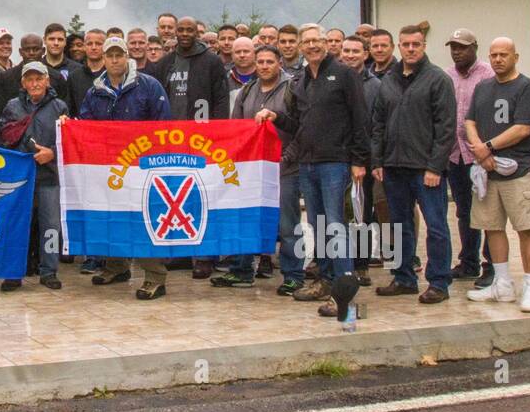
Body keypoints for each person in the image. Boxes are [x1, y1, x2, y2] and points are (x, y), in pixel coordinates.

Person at [79, 36, 172, 299]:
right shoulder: (95, 90)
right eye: (110, 55)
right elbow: (86, 125)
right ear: (104, 59)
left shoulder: (148, 85)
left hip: (143, 165)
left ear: (127, 56)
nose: (115, 59)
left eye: (119, 54)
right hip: (109, 166)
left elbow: (163, 125)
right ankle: (117, 266)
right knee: (111, 215)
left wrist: (155, 160)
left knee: (143, 220)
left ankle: (155, 277)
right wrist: (68, 126)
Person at [371, 25, 457, 305]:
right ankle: (404, 277)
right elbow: (378, 123)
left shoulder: (438, 80)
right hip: (393, 166)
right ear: (399, 46)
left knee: (436, 226)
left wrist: (435, 167)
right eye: (406, 44)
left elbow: (445, 128)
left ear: (424, 46)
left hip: (425, 169)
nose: (410, 49)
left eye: (416, 44)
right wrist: (377, 159)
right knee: (399, 225)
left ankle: (439, 281)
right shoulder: (389, 80)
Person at [285, 25, 369, 308]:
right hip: (307, 163)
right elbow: (298, 125)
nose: (312, 46)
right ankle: (325, 280)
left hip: (336, 162)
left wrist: (359, 160)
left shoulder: (345, 74)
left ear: (327, 43)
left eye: (316, 40)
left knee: (335, 224)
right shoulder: (301, 79)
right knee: (318, 224)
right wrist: (273, 117)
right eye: (306, 41)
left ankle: (344, 290)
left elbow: (361, 118)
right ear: (300, 47)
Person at [464, 37, 530, 312]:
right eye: (494, 54)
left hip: (517, 170)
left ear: (515, 56)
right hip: (487, 173)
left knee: (525, 228)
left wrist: (488, 148)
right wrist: (480, 151)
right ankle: (502, 283)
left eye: (504, 54)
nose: (498, 59)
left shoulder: (527, 87)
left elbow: (524, 128)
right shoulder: (483, 87)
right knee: (493, 228)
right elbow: (469, 121)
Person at [151, 16, 230, 278]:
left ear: (197, 32)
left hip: (202, 140)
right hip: (170, 140)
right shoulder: (165, 62)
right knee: (175, 195)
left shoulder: (211, 61)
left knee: (202, 196)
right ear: (174, 32)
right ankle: (181, 253)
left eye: (189, 30)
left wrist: (218, 131)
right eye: (180, 30)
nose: (184, 34)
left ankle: (205, 256)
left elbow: (220, 98)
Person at [214, 44, 299, 289]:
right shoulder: (247, 90)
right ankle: (241, 271)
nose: (264, 66)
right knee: (246, 217)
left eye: (269, 62)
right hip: (252, 169)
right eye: (260, 62)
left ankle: (293, 276)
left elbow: (301, 126)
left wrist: (289, 157)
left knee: (287, 225)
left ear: (279, 63)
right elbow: (237, 128)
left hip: (285, 166)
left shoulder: (292, 88)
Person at [0, 62, 69, 291]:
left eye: (39, 78)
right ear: (23, 83)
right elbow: (4, 136)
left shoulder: (60, 107)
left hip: (49, 178)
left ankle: (49, 271)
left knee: (50, 226)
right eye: (30, 79)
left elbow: (69, 142)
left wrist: (52, 153)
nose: (35, 83)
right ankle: (13, 272)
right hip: (20, 179)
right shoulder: (12, 106)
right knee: (17, 225)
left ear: (47, 81)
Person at [445, 28, 496, 289]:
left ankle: (491, 265)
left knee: (487, 212)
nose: (457, 51)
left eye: (462, 47)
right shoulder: (447, 76)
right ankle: (468, 262)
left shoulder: (488, 75)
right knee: (464, 212)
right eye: (453, 47)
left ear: (475, 47)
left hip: (481, 155)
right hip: (455, 155)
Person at [338, 34, 379, 286]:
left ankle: (361, 265)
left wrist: (363, 161)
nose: (350, 55)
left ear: (366, 54)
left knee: (361, 212)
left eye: (356, 51)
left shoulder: (375, 86)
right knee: (337, 214)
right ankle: (337, 262)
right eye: (346, 51)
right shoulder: (335, 80)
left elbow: (374, 127)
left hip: (363, 161)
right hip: (336, 157)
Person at [67, 28, 107, 116]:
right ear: (84, 46)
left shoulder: (113, 74)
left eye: (98, 44)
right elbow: (70, 110)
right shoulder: (74, 77)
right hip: (82, 127)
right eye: (89, 44)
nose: (93, 47)